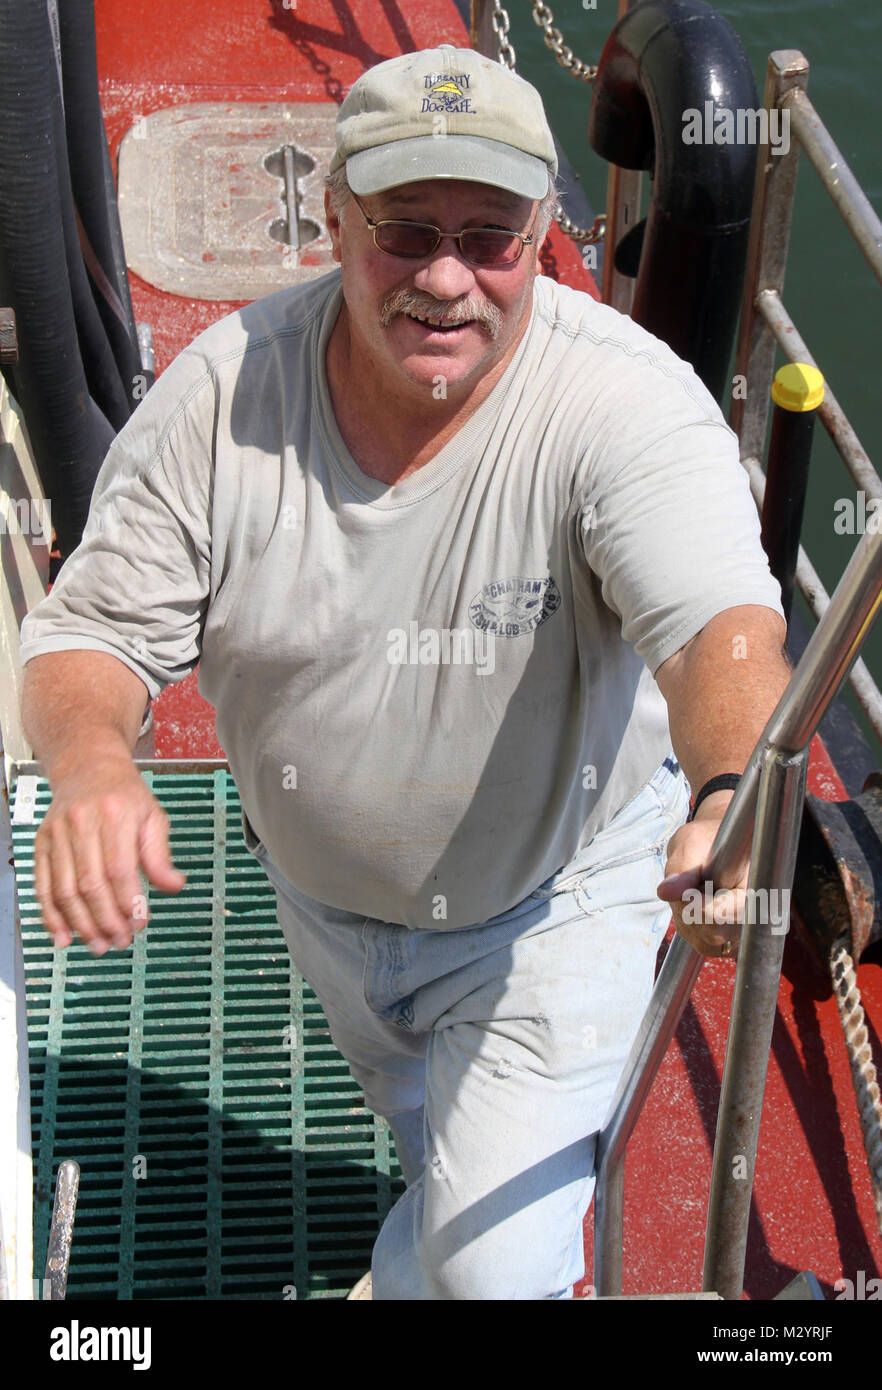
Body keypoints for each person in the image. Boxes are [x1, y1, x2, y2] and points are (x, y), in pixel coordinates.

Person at [19, 44, 791, 1300]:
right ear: (332, 218)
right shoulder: (222, 397)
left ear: (547, 231)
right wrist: (97, 763)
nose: (445, 278)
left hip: (554, 901)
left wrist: (726, 795)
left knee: (488, 1271)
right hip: (329, 912)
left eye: (490, 237)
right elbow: (87, 637)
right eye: (405, 230)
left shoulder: (623, 405)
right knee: (436, 1158)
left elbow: (723, 630)